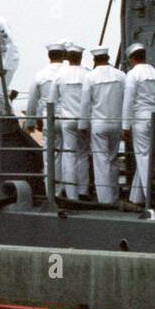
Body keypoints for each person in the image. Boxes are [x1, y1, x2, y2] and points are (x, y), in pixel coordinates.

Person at [121, 43, 155, 206]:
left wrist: (125, 126)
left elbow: (128, 101)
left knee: (143, 158)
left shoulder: (133, 74)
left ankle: (151, 199)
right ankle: (136, 197)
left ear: (131, 59)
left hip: (141, 120)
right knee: (146, 157)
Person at [80, 46, 127, 203]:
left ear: (95, 60)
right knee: (113, 159)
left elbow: (85, 103)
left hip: (99, 124)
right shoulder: (121, 75)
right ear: (108, 58)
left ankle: (105, 199)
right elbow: (127, 100)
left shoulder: (90, 77)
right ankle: (114, 195)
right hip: (117, 123)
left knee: (101, 162)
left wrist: (83, 126)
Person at [49, 43, 90, 199]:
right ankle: (83, 190)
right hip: (84, 121)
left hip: (67, 120)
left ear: (68, 58)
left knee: (69, 155)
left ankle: (71, 194)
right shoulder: (88, 74)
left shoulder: (60, 76)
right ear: (80, 58)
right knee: (83, 154)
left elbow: (52, 101)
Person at [24, 42, 66, 182]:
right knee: (70, 155)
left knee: (49, 157)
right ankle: (70, 189)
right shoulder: (67, 72)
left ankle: (52, 192)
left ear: (49, 56)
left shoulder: (40, 75)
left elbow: (32, 101)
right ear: (63, 55)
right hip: (68, 118)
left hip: (49, 119)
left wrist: (30, 122)